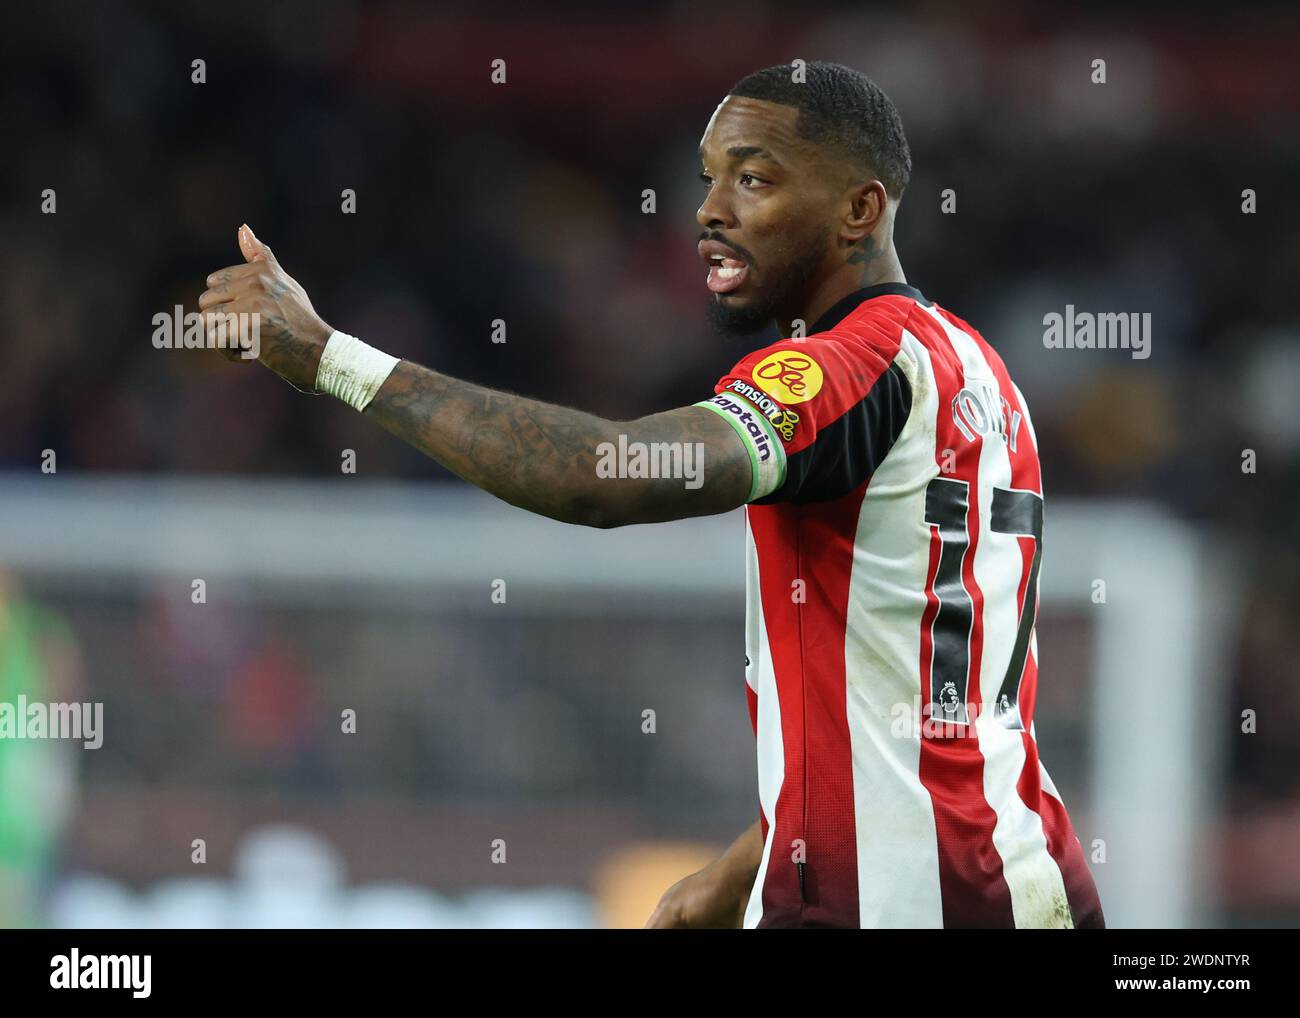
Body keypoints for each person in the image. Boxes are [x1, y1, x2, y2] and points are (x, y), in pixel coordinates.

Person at [198, 61, 1103, 929]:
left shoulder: (846, 370)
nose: (709, 211)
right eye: (709, 178)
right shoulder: (977, 371)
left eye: (754, 180)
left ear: (860, 210)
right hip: (1022, 882)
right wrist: (746, 865)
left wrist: (331, 358)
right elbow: (921, 704)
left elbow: (606, 475)